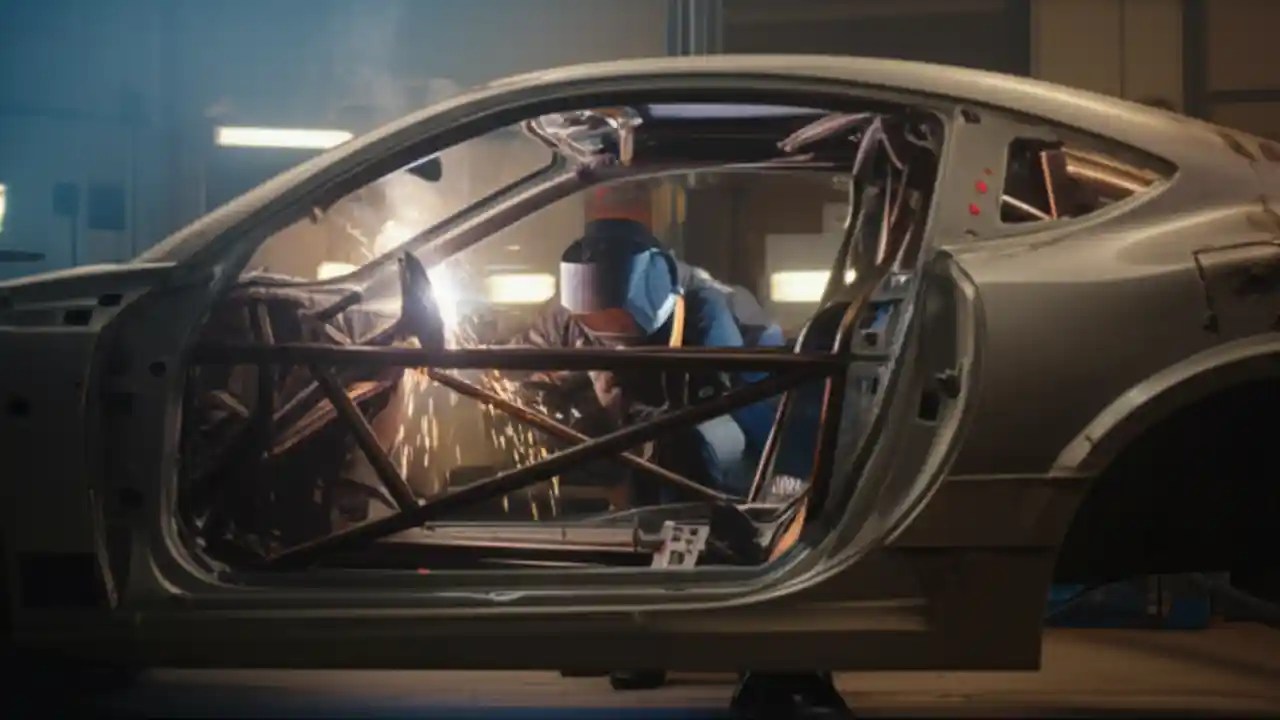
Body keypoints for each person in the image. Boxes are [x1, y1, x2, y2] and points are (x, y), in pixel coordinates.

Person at [509, 182, 786, 500]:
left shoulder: (713, 314)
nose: (605, 328)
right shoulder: (567, 314)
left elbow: (761, 424)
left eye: (616, 316)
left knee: (697, 442)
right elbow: (517, 364)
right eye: (593, 317)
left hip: (713, 459)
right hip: (623, 446)